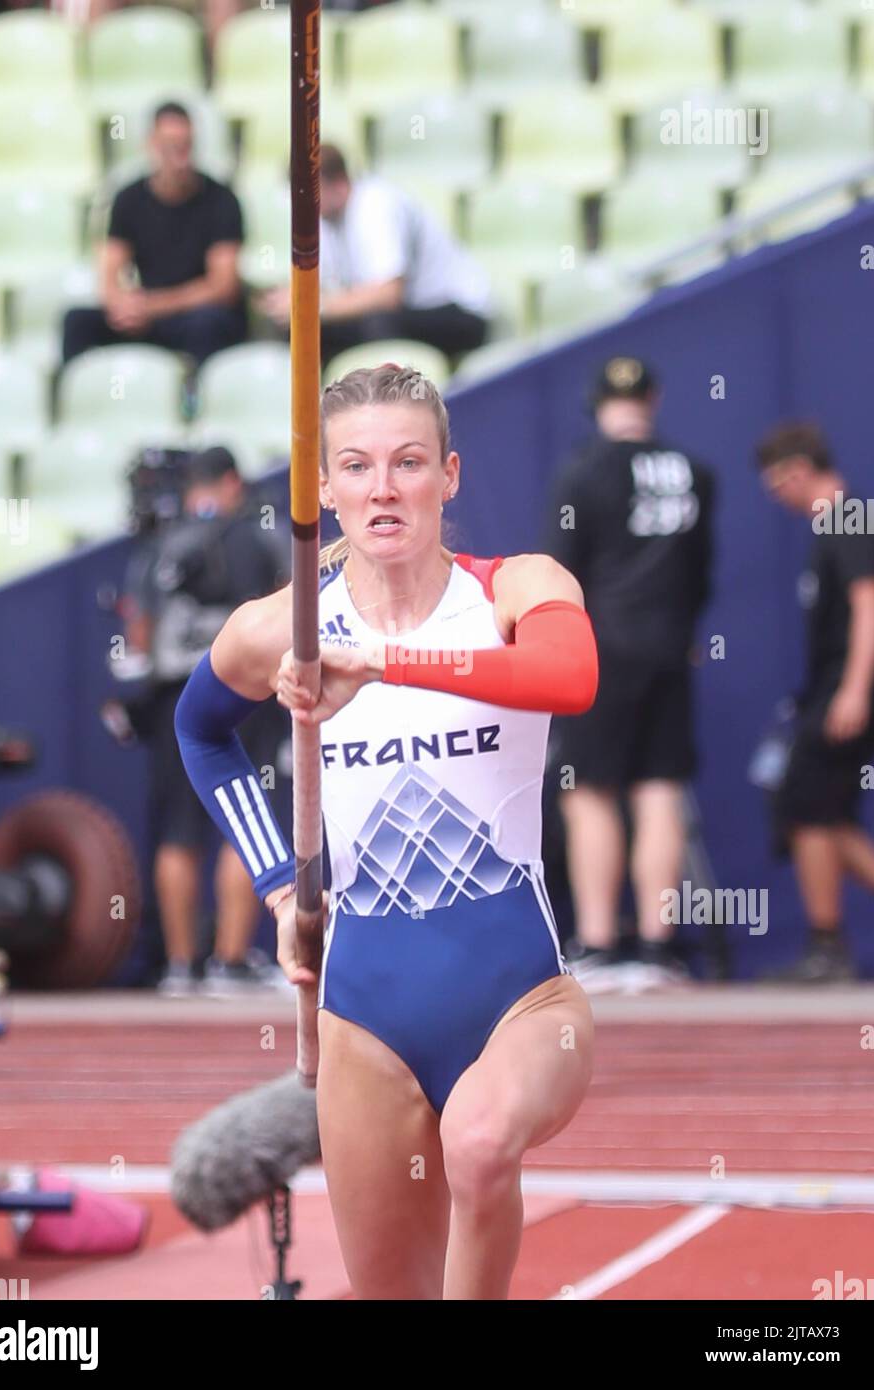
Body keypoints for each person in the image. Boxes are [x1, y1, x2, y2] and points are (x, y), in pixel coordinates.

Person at [174, 363, 599, 1299]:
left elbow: (568, 678)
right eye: (357, 467)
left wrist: (383, 663)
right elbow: (199, 730)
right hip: (363, 1023)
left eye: (408, 463)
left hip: (523, 1006)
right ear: (321, 489)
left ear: (448, 476)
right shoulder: (283, 629)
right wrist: (282, 888)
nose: (383, 488)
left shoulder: (513, 588)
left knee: (482, 1144)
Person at [547, 356, 715, 992]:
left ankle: (599, 942)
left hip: (601, 653)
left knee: (589, 792)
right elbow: (701, 572)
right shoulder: (696, 473)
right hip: (670, 650)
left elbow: (557, 575)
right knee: (659, 789)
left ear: (597, 403)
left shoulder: (583, 470)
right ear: (656, 397)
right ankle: (657, 946)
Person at [119, 446, 290, 996]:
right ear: (234, 482)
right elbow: (293, 608)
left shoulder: (158, 544)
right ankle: (231, 961)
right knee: (244, 821)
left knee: (178, 832)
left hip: (176, 697)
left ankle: (178, 965)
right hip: (243, 690)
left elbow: (137, 636)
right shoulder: (258, 536)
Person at [756, 422, 874, 983]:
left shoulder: (849, 520)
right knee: (816, 808)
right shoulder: (832, 527)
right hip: (836, 688)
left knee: (808, 804)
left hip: (855, 688)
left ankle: (827, 946)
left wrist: (855, 690)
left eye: (776, 487)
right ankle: (830, 939)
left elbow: (870, 606)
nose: (778, 499)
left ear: (797, 472)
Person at [258, 145, 492, 365]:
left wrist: (312, 305)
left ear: (339, 185)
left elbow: (389, 295)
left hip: (458, 311)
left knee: (378, 323)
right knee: (302, 329)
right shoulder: (324, 220)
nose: (303, 206)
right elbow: (338, 291)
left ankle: (393, 401)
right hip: (404, 314)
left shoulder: (377, 205)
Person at [62, 102, 247, 366]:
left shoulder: (222, 200)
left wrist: (152, 306)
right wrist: (121, 305)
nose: (180, 157)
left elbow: (222, 287)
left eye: (186, 146)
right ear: (152, 145)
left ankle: (199, 400)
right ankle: (79, 397)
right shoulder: (128, 199)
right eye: (171, 146)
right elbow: (109, 268)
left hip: (190, 315)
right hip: (147, 316)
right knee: (77, 321)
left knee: (210, 323)